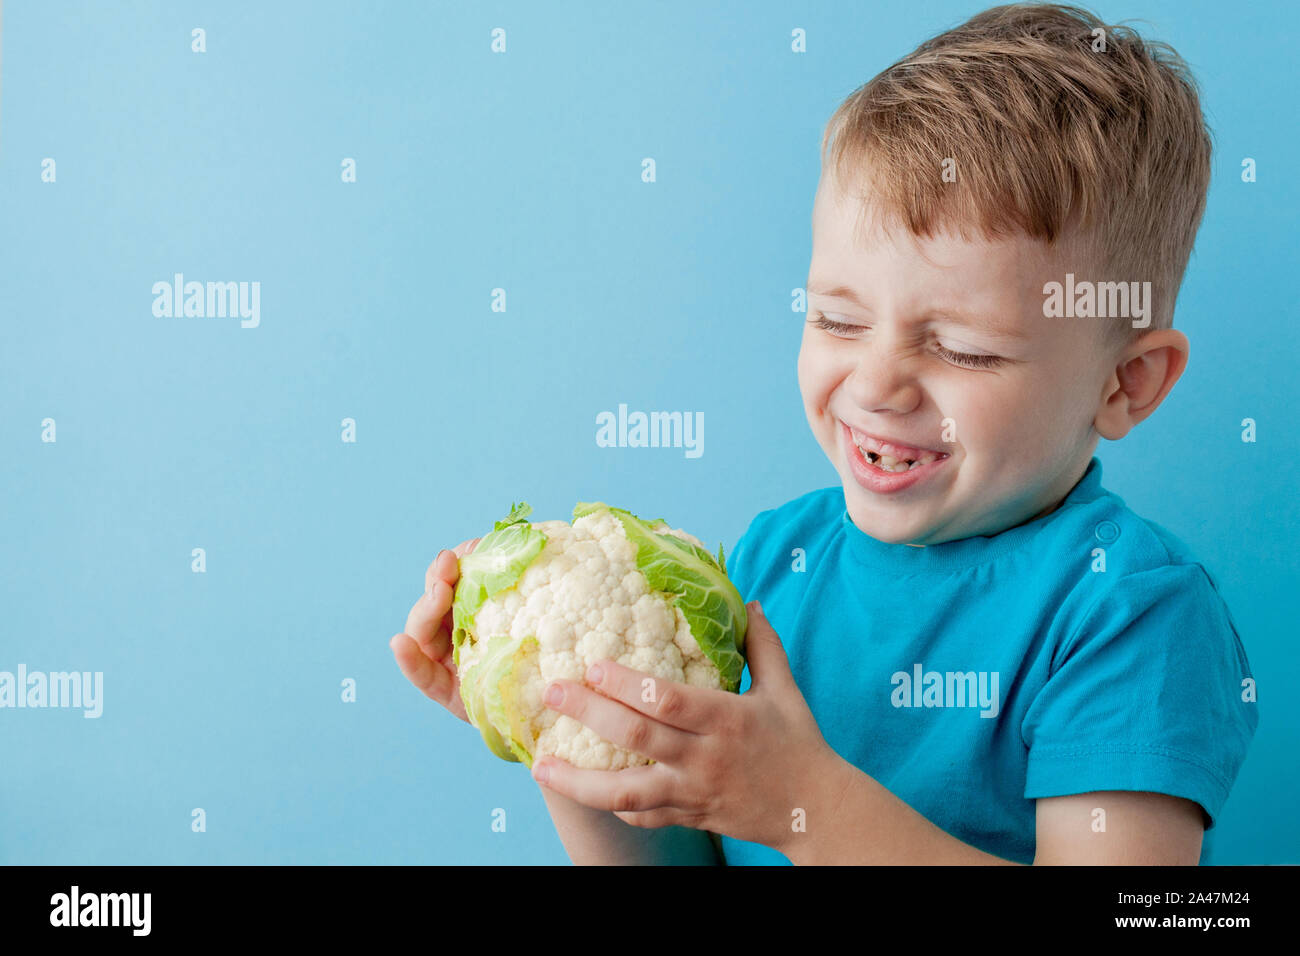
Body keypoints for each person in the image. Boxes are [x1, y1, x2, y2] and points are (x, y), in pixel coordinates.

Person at [391, 2, 1258, 864]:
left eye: (962, 347)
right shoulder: (772, 562)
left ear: (1124, 382)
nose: (876, 383)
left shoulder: (1129, 615)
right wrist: (568, 727)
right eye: (839, 321)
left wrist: (802, 801)